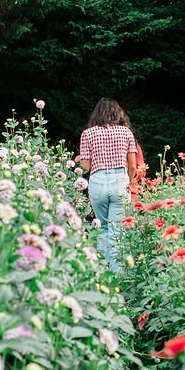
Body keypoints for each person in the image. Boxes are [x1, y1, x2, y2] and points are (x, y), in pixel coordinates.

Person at [77, 98, 137, 271]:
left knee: (102, 228)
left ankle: (103, 273)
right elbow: (132, 165)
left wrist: (79, 159)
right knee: (117, 231)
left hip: (97, 181)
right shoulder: (126, 132)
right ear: (117, 113)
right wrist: (129, 180)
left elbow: (85, 166)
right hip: (120, 180)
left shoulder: (88, 134)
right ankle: (118, 277)